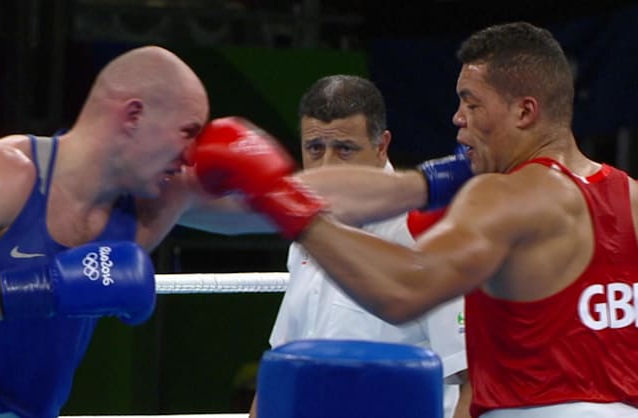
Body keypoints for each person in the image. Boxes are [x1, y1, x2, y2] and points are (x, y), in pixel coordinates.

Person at [192, 22, 638, 418]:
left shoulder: (506, 194)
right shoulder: (630, 195)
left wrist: (284, 205)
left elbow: (405, 290)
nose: (457, 118)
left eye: (472, 103)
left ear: (524, 111)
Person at [0, 45, 214, 418]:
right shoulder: (1, 172)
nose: (191, 154)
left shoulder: (156, 201)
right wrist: (46, 288)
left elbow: (274, 211)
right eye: (188, 132)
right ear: (133, 115)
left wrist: (270, 184)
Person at [251, 75, 470, 418]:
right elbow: (282, 362)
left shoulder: (425, 231)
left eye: (344, 150)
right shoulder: (309, 231)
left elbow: (469, 382)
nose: (327, 167)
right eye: (315, 149)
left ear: (382, 146)